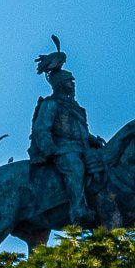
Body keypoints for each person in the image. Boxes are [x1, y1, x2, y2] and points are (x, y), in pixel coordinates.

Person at [28, 64, 105, 225]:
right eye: (69, 81)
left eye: (72, 81)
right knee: (75, 168)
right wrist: (50, 149)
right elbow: (41, 129)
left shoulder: (77, 108)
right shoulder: (51, 104)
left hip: (82, 148)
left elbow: (81, 131)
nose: (73, 84)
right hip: (62, 149)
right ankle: (78, 210)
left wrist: (93, 140)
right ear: (60, 83)